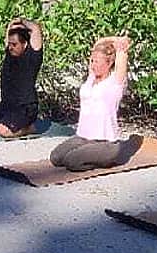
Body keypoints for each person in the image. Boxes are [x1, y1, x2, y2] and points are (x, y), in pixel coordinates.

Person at [49, 36, 131, 171]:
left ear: (109, 63)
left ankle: (108, 160)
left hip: (106, 143)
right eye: (92, 61)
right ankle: (88, 153)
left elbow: (123, 50)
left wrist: (120, 42)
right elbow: (98, 43)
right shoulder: (90, 78)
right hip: (84, 137)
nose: (93, 65)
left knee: (72, 161)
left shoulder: (115, 83)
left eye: (97, 62)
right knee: (56, 158)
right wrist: (112, 38)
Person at [0, 18, 43, 138]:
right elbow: (9, 35)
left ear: (25, 44)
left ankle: (29, 128)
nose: (10, 47)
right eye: (10, 44)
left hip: (26, 108)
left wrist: (22, 21)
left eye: (14, 44)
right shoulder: (10, 54)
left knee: (3, 130)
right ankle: (8, 122)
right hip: (6, 106)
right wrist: (11, 24)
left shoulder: (32, 57)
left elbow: (36, 29)